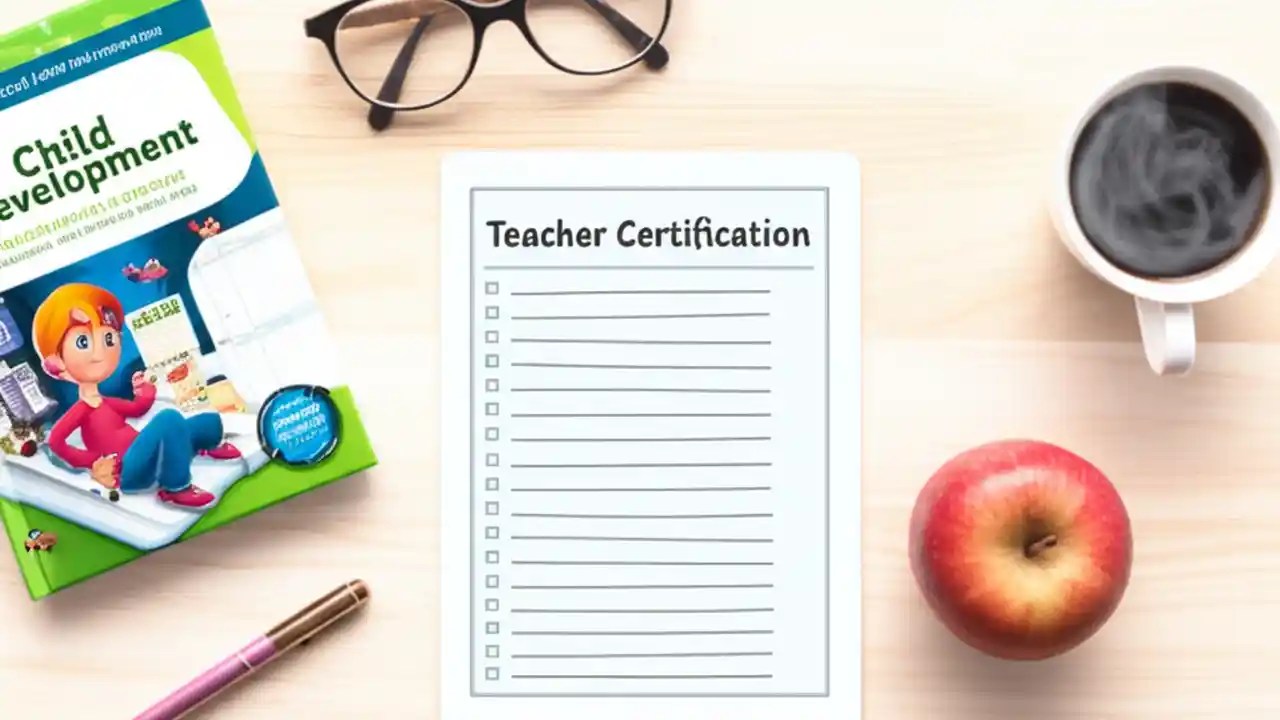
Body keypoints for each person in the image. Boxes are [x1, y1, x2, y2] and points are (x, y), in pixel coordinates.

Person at [34, 283, 240, 509]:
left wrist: (143, 391)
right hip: (129, 472)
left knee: (206, 419)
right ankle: (176, 488)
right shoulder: (82, 410)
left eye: (109, 339)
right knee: (169, 419)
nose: (101, 352)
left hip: (147, 456)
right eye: (83, 342)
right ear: (57, 364)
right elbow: (55, 441)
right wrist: (92, 462)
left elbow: (137, 409)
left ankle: (209, 444)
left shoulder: (107, 402)